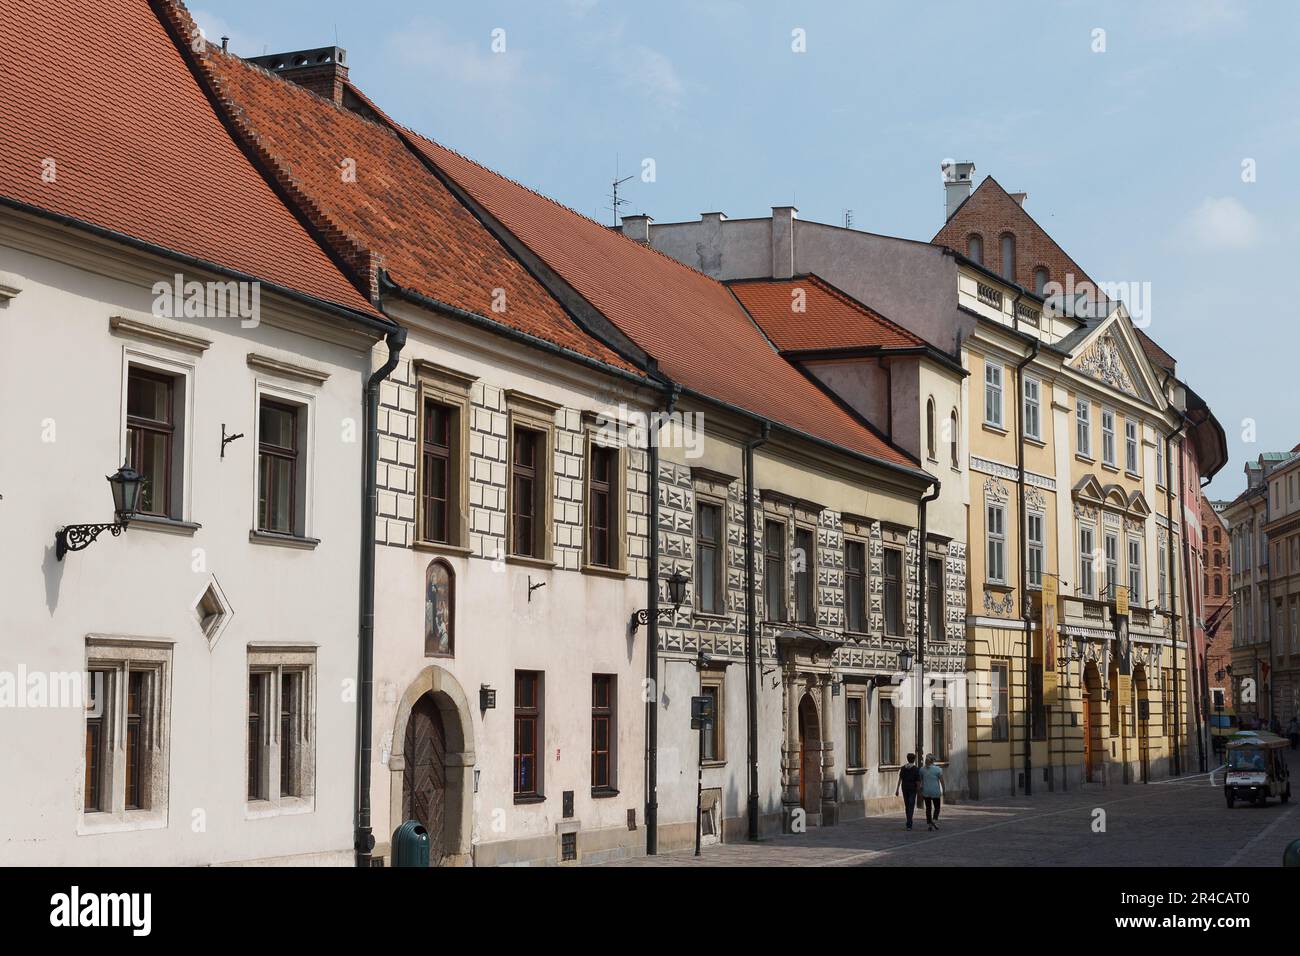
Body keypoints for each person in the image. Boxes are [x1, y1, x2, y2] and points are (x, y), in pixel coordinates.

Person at [895, 753, 920, 830]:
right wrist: (919, 790)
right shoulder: (916, 769)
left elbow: (900, 779)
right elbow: (918, 781)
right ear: (914, 759)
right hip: (912, 789)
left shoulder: (903, 768)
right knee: (911, 805)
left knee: (907, 805)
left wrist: (897, 789)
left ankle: (908, 821)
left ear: (907, 759)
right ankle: (909, 823)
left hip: (904, 788)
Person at [920, 753, 944, 831]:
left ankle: (930, 825)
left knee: (928, 808)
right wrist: (944, 789)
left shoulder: (922, 769)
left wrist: (920, 790)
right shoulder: (938, 769)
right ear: (933, 760)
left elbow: (921, 780)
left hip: (926, 791)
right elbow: (941, 781)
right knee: (937, 807)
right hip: (935, 791)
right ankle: (934, 820)